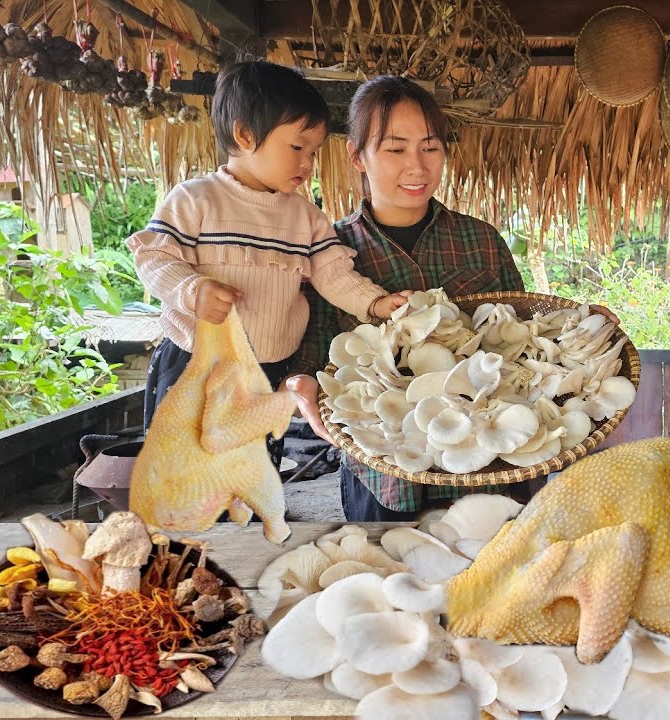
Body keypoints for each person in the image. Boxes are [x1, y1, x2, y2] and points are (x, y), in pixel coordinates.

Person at [285, 75, 528, 522]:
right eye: (395, 149)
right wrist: (301, 385)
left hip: (491, 464)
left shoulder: (481, 241)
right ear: (357, 155)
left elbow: (523, 338)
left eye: (430, 147)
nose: (417, 166)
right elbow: (312, 353)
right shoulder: (329, 250)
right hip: (383, 473)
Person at [128, 60, 404, 440]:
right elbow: (153, 257)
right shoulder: (195, 200)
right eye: (297, 146)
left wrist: (374, 303)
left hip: (268, 370)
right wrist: (192, 291)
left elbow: (333, 274)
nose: (307, 163)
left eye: (313, 151)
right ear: (244, 134)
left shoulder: (306, 217)